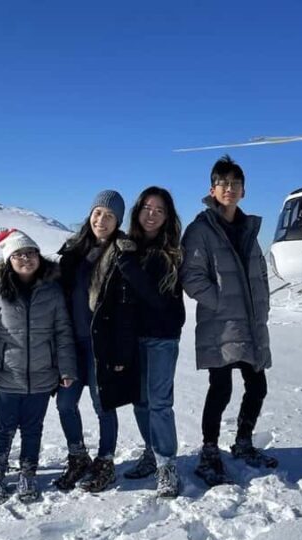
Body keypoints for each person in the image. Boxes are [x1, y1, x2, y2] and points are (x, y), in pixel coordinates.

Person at [180, 155, 277, 487]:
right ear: (212, 189)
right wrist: (221, 303)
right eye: (223, 183)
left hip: (251, 321)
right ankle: (209, 450)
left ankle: (244, 442)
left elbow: (260, 274)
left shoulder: (249, 228)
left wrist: (261, 307)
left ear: (244, 191)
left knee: (257, 386)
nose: (230, 189)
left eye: (236, 183)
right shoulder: (200, 230)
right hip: (220, 323)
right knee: (220, 388)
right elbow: (191, 277)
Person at [0, 228, 77, 504]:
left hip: (42, 376)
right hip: (7, 375)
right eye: (18, 254)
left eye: (30, 253)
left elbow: (63, 333)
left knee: (33, 428)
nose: (26, 259)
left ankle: (28, 473)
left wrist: (66, 369)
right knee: (4, 427)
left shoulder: (52, 291)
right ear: (8, 261)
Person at [54, 190, 140, 493]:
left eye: (110, 215)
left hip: (101, 345)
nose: (101, 220)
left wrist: (122, 351)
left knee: (103, 405)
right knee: (65, 403)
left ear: (118, 221)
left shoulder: (124, 253)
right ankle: (77, 455)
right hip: (70, 343)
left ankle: (105, 461)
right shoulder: (72, 251)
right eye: (98, 213)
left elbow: (128, 310)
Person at [117, 186, 185, 498]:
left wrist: (129, 265)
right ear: (137, 211)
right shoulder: (126, 246)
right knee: (140, 401)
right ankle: (151, 451)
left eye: (159, 209)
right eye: (147, 207)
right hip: (132, 337)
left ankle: (167, 464)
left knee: (159, 403)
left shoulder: (172, 252)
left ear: (168, 216)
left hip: (161, 337)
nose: (152, 214)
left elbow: (157, 299)